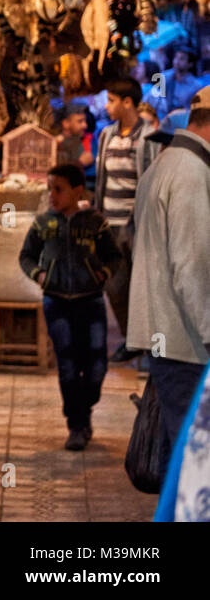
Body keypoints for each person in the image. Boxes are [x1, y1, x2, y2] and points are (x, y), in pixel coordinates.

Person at [127, 85, 210, 479]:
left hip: (169, 336)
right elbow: (192, 266)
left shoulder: (162, 167)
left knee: (186, 456)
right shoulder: (192, 174)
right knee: (195, 463)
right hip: (188, 342)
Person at [19, 163, 124, 451]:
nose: (52, 195)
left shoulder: (95, 223)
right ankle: (76, 425)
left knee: (97, 367)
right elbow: (26, 256)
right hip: (56, 303)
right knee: (67, 367)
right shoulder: (43, 224)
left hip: (90, 303)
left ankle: (84, 408)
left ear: (77, 190)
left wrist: (103, 274)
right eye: (50, 189)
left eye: (59, 189)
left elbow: (114, 257)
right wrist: (39, 274)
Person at [94, 77, 162, 363]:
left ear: (127, 103)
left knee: (142, 287)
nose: (107, 106)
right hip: (109, 225)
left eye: (111, 100)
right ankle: (130, 339)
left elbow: (152, 182)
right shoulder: (106, 135)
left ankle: (148, 347)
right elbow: (101, 180)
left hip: (137, 227)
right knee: (115, 287)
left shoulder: (149, 137)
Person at [149, 46, 203, 116]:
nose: (177, 61)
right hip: (163, 119)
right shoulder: (165, 77)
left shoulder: (196, 86)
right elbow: (154, 97)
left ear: (190, 64)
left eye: (182, 59)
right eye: (176, 57)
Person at [55, 102, 94, 171]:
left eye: (85, 121)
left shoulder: (88, 140)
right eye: (80, 121)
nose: (85, 125)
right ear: (66, 123)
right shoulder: (56, 145)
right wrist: (79, 163)